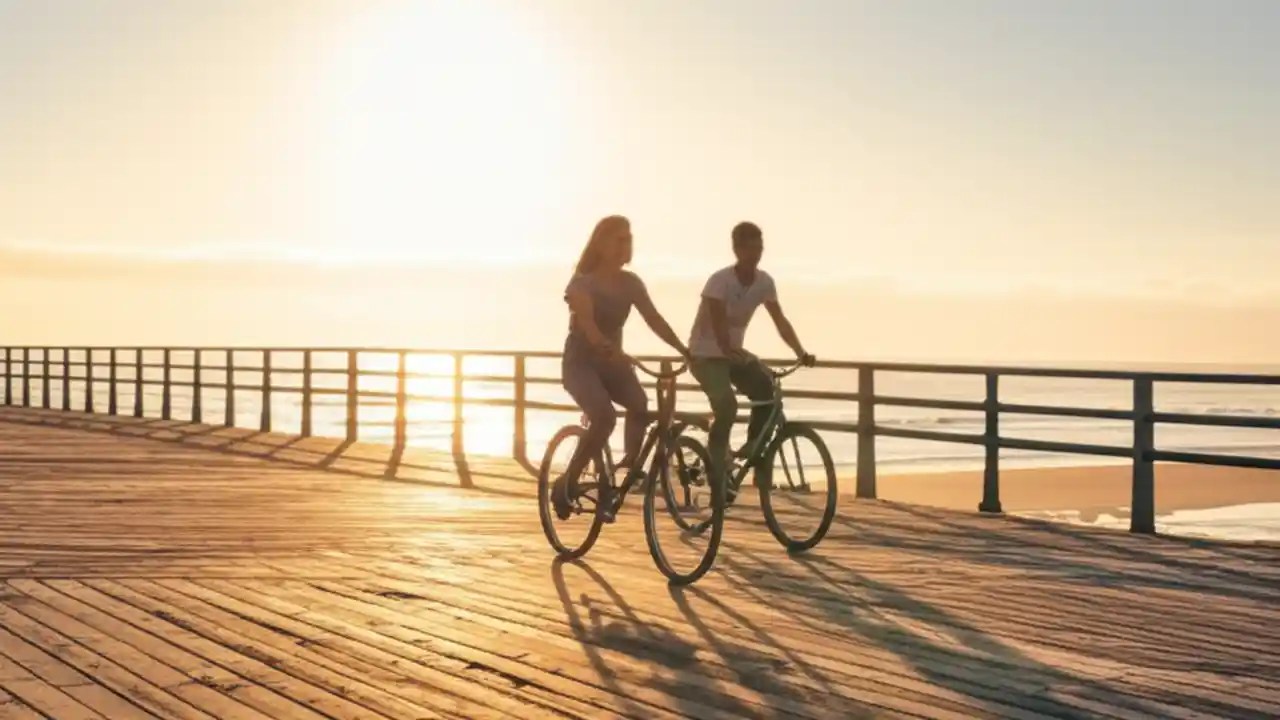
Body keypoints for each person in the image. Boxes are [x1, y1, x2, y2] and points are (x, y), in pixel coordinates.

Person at [555, 215, 691, 520]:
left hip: (612, 364)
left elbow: (654, 319)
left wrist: (684, 350)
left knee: (640, 405)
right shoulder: (581, 283)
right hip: (580, 364)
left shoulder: (631, 284)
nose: (625, 245)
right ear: (601, 244)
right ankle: (569, 481)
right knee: (604, 416)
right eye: (618, 239)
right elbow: (587, 322)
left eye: (628, 239)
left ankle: (629, 465)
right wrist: (603, 344)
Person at [687, 221, 814, 493]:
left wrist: (800, 352)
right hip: (705, 355)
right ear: (737, 249)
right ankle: (717, 471)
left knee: (766, 389)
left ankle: (752, 447)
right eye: (751, 248)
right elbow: (718, 322)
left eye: (760, 247)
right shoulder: (719, 281)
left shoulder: (764, 282)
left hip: (733, 354)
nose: (757, 254)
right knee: (727, 406)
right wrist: (728, 349)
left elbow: (780, 320)